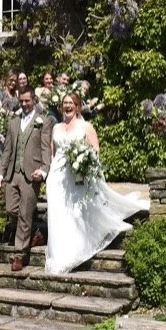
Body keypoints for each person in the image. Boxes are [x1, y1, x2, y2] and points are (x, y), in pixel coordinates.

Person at [44, 92, 148, 274]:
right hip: (57, 176)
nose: (67, 106)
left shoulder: (85, 126)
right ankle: (58, 252)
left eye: (71, 103)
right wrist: (50, 175)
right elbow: (53, 153)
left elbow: (95, 151)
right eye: (65, 103)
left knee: (74, 212)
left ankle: (73, 250)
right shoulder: (56, 128)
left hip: (76, 175)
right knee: (57, 211)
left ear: (77, 107)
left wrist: (83, 163)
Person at [0, 86, 54, 271]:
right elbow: (7, 150)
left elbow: (46, 149)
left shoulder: (43, 121)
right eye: (21, 101)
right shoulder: (13, 122)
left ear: (34, 100)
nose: (24, 104)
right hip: (13, 173)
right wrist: (1, 173)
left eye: (27, 101)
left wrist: (43, 171)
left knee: (25, 213)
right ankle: (36, 230)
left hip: (31, 174)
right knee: (11, 209)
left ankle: (19, 255)